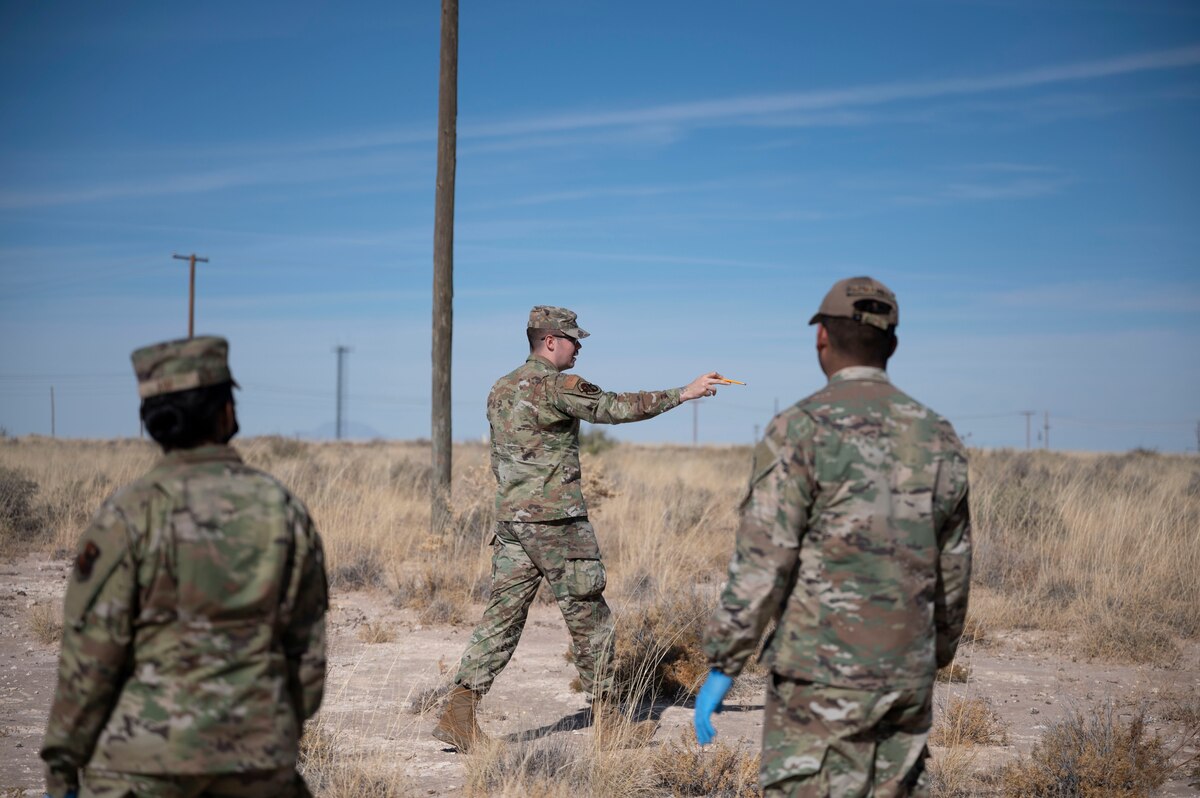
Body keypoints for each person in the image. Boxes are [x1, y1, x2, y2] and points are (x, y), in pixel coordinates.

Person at [695, 277, 971, 797]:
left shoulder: (799, 428)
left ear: (821, 337)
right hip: (905, 673)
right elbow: (954, 567)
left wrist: (725, 662)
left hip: (818, 678)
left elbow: (764, 561)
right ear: (892, 343)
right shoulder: (939, 435)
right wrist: (934, 653)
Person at [40, 336, 328, 798]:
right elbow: (307, 662)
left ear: (152, 423)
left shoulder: (126, 515)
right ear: (226, 412)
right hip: (255, 763)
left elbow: (89, 660)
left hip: (140, 768)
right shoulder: (283, 509)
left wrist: (62, 763)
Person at [433, 305, 727, 752]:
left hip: (513, 521)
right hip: (556, 524)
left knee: (502, 619)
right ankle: (609, 723)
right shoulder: (557, 385)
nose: (579, 347)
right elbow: (613, 407)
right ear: (550, 340)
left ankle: (459, 711)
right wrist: (683, 393)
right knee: (591, 620)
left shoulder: (501, 387)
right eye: (574, 339)